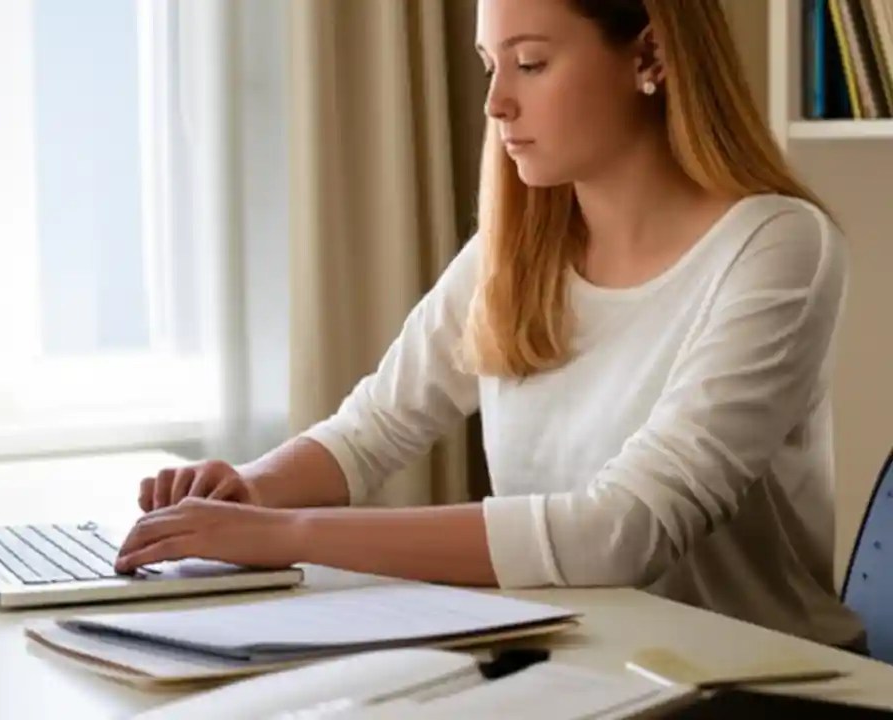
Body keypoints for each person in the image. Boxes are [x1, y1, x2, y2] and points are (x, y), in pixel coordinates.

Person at [113, 0, 868, 651]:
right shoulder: (518, 250)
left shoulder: (777, 246)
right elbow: (372, 430)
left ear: (651, 55)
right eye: (488, 66)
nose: (496, 103)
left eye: (530, 64)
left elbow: (624, 530)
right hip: (585, 662)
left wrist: (286, 536)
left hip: (765, 679)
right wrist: (249, 491)